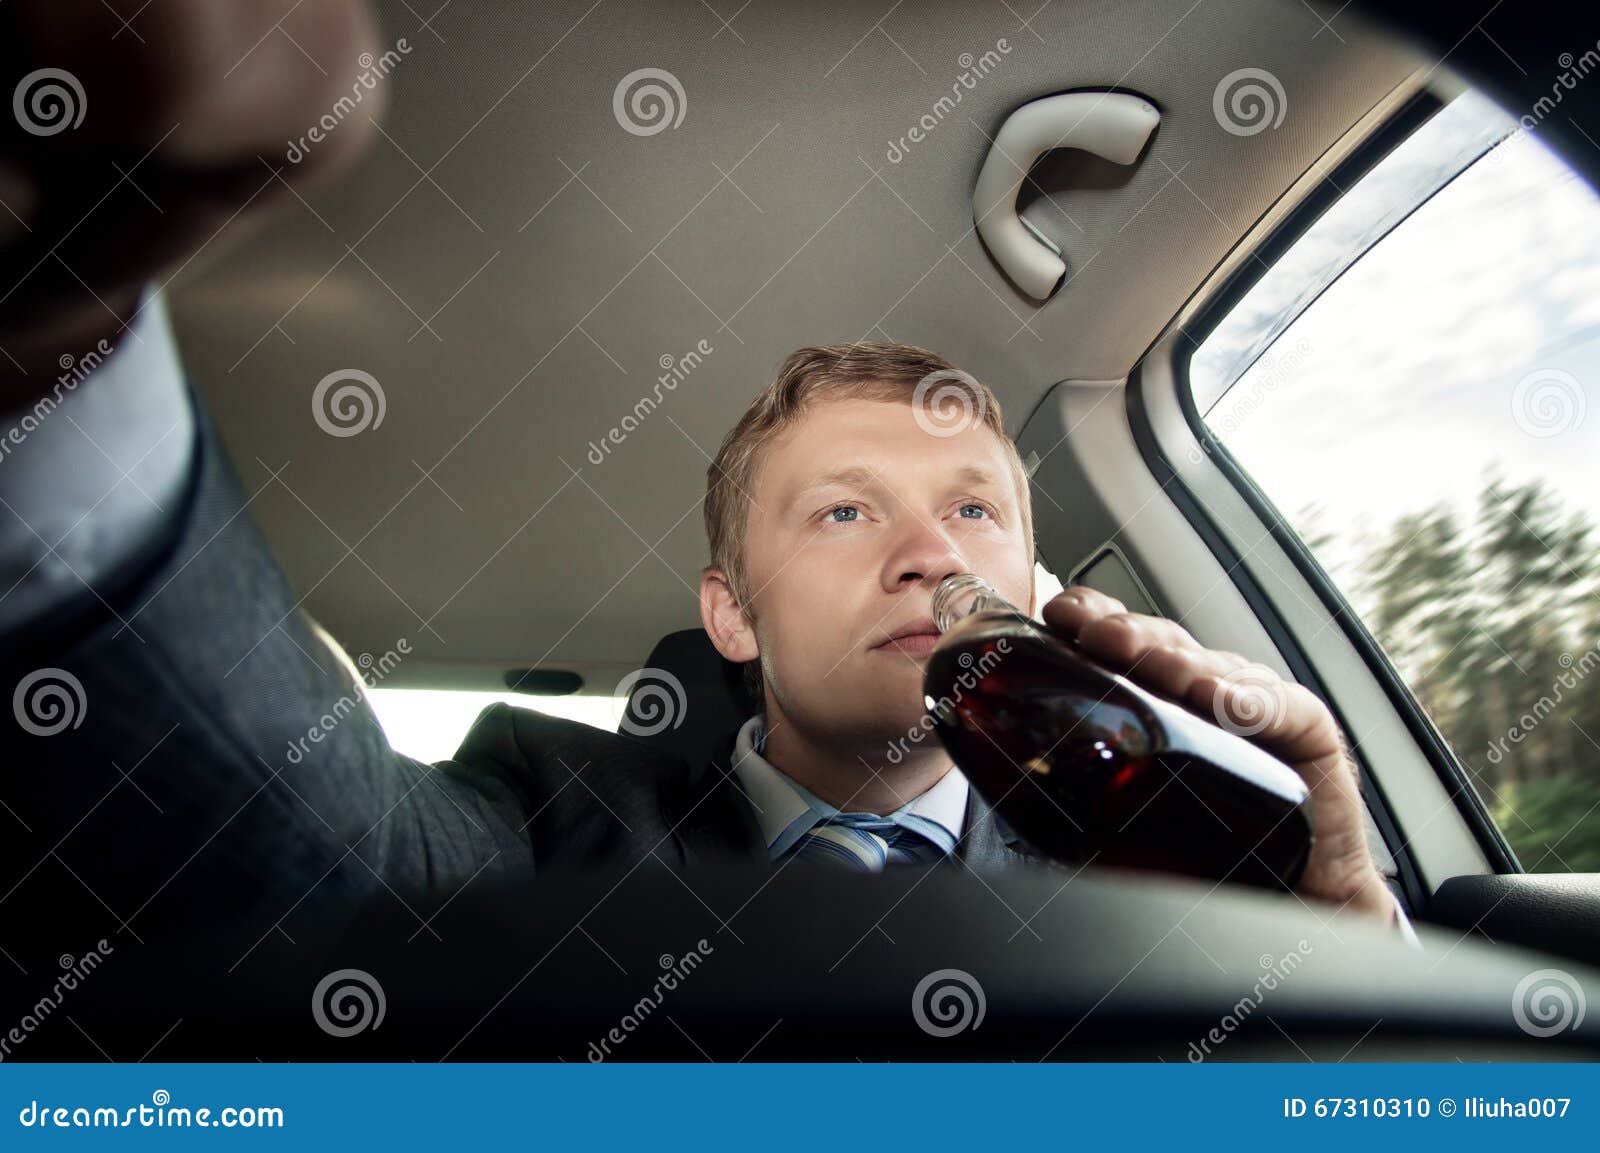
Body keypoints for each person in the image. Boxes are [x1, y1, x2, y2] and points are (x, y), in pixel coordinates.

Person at [0, 0, 1414, 965]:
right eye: (846, 509)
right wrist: (54, 339)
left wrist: (1356, 965)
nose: (933, 551)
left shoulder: (1167, 870)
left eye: (976, 509)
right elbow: (323, 864)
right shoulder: (554, 822)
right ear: (729, 616)